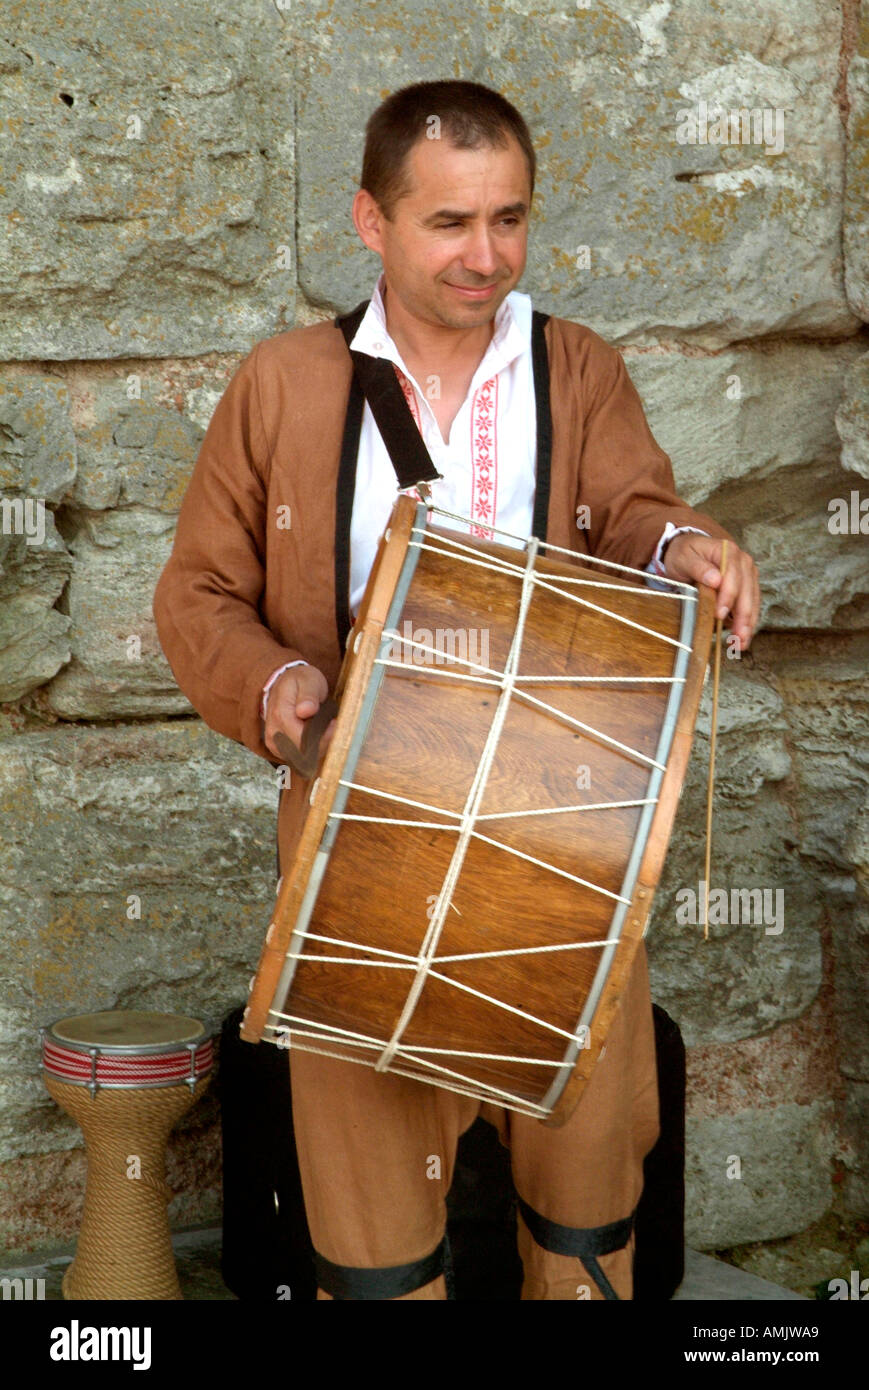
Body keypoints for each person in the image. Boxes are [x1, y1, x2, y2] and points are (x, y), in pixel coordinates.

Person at [154, 79, 760, 1301]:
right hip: (353, 860)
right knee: (373, 1242)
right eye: (448, 223)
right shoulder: (281, 384)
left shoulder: (575, 368)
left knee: (584, 1221)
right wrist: (276, 686)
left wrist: (682, 547)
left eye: (508, 219)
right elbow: (197, 595)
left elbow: (636, 506)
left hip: (565, 854)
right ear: (371, 223)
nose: (484, 255)